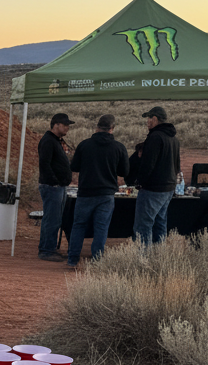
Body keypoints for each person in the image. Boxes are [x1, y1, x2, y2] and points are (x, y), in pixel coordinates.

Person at [66, 115, 130, 268]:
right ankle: (97, 261)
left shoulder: (84, 145)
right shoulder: (119, 147)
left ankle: (72, 260)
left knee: (79, 226)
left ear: (97, 127)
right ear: (112, 128)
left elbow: (74, 167)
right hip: (106, 194)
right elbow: (124, 171)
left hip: (86, 193)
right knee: (101, 228)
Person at [132, 106, 181, 246]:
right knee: (160, 223)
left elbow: (148, 164)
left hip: (153, 189)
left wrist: (139, 182)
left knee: (143, 226)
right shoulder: (174, 139)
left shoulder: (155, 137)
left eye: (148, 118)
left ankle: (143, 256)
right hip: (168, 188)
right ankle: (159, 254)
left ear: (154, 119)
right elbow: (177, 165)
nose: (147, 121)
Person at [37, 113, 74, 261]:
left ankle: (48, 248)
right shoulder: (48, 141)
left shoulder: (56, 141)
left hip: (57, 187)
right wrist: (55, 181)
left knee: (54, 219)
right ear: (56, 125)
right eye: (65, 125)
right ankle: (46, 250)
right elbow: (44, 164)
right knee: (52, 219)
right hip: (52, 187)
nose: (67, 128)